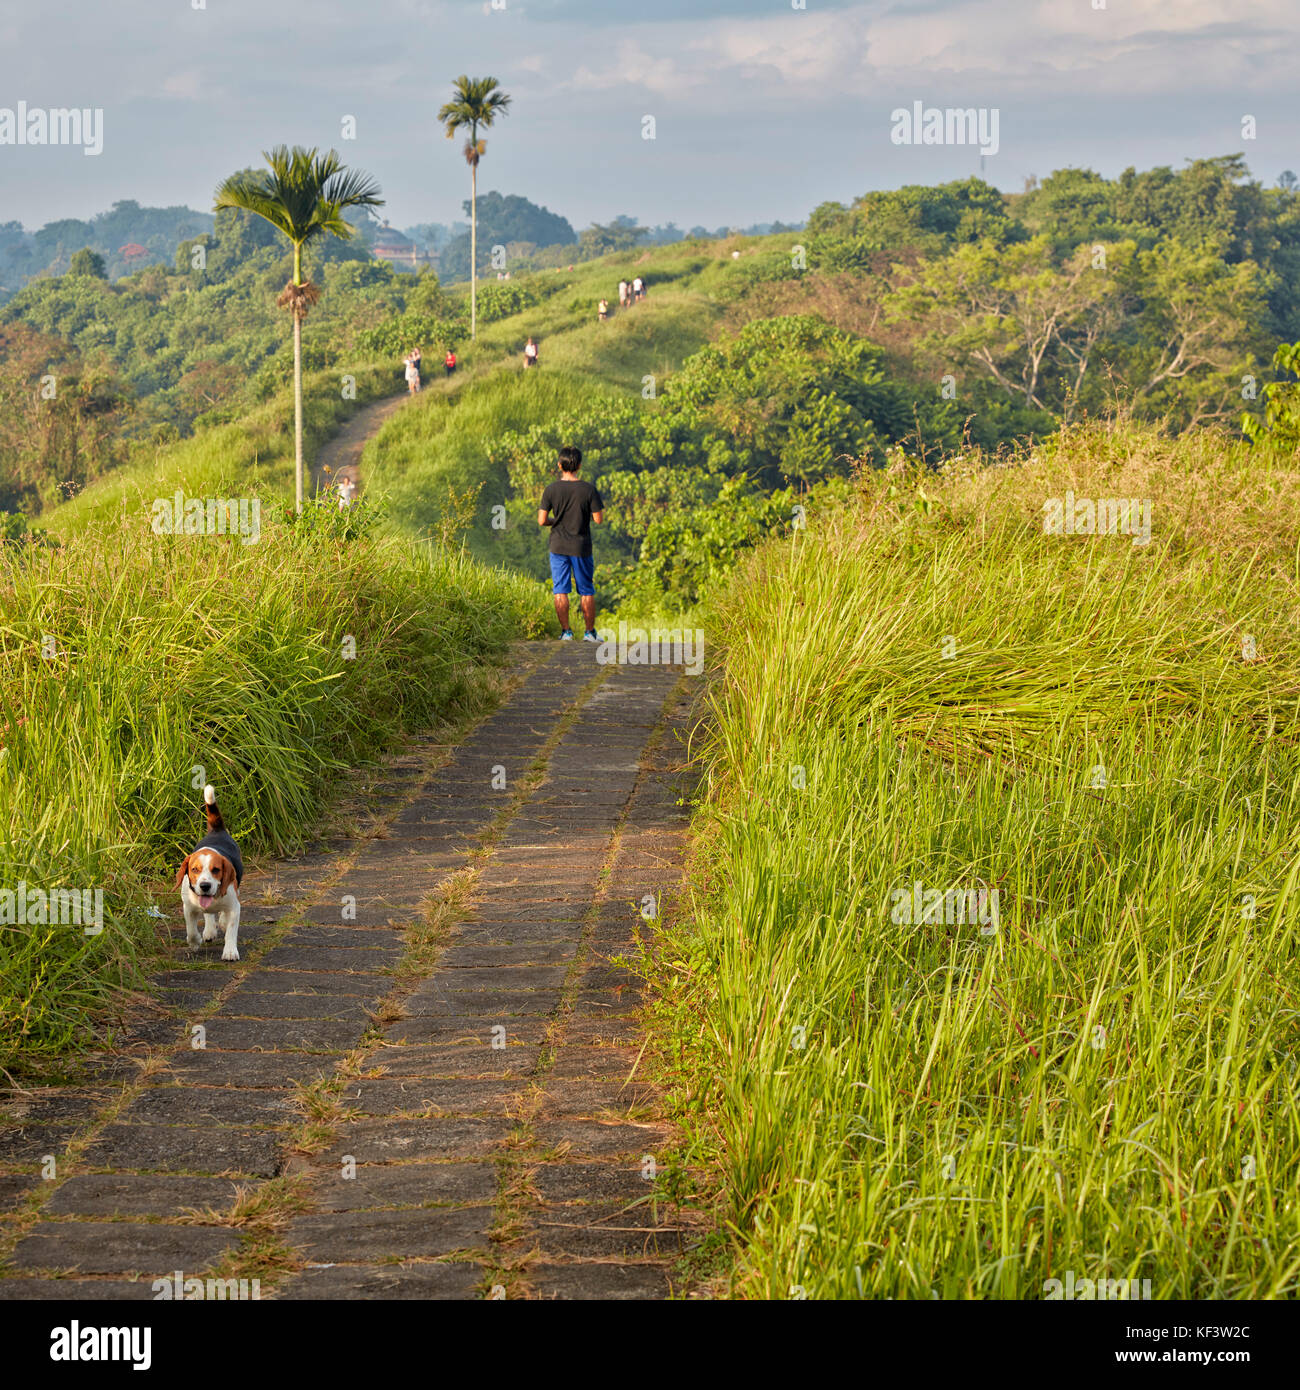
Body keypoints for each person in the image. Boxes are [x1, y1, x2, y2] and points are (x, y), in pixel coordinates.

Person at [538, 444, 604, 642]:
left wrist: (555, 521)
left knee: (560, 588)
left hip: (558, 545)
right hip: (581, 546)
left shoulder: (551, 490)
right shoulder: (588, 490)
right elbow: (598, 519)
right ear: (580, 465)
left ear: (560, 465)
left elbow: (542, 520)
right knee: (586, 589)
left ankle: (566, 632)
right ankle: (589, 633)